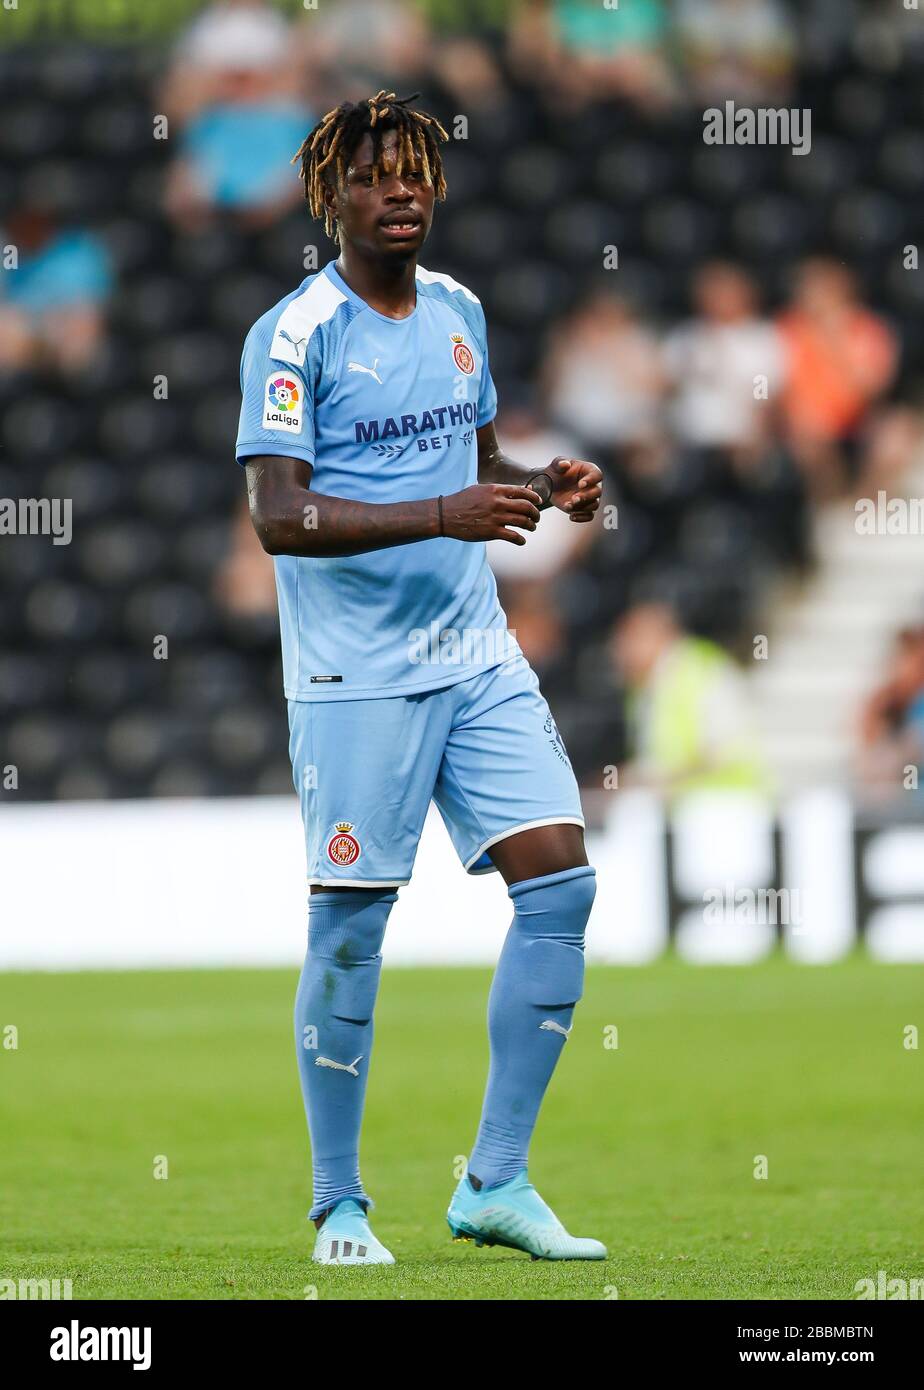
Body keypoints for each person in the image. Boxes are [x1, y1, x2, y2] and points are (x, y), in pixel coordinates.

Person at [235, 91, 605, 1265]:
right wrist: (446, 510)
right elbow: (279, 516)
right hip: (356, 676)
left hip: (475, 651)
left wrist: (543, 481)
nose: (398, 191)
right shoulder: (295, 334)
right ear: (329, 197)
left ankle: (495, 1179)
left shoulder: (460, 313)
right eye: (372, 177)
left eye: (414, 174)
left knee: (561, 888)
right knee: (350, 930)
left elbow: (473, 459)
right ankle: (338, 1202)